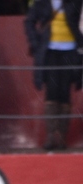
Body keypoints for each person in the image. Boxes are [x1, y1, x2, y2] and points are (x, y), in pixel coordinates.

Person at [26, 0, 83, 150]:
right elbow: (29, 21)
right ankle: (51, 136)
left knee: (65, 94)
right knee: (52, 92)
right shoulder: (42, 2)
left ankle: (61, 137)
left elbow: (80, 23)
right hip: (49, 52)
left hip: (70, 52)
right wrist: (36, 44)